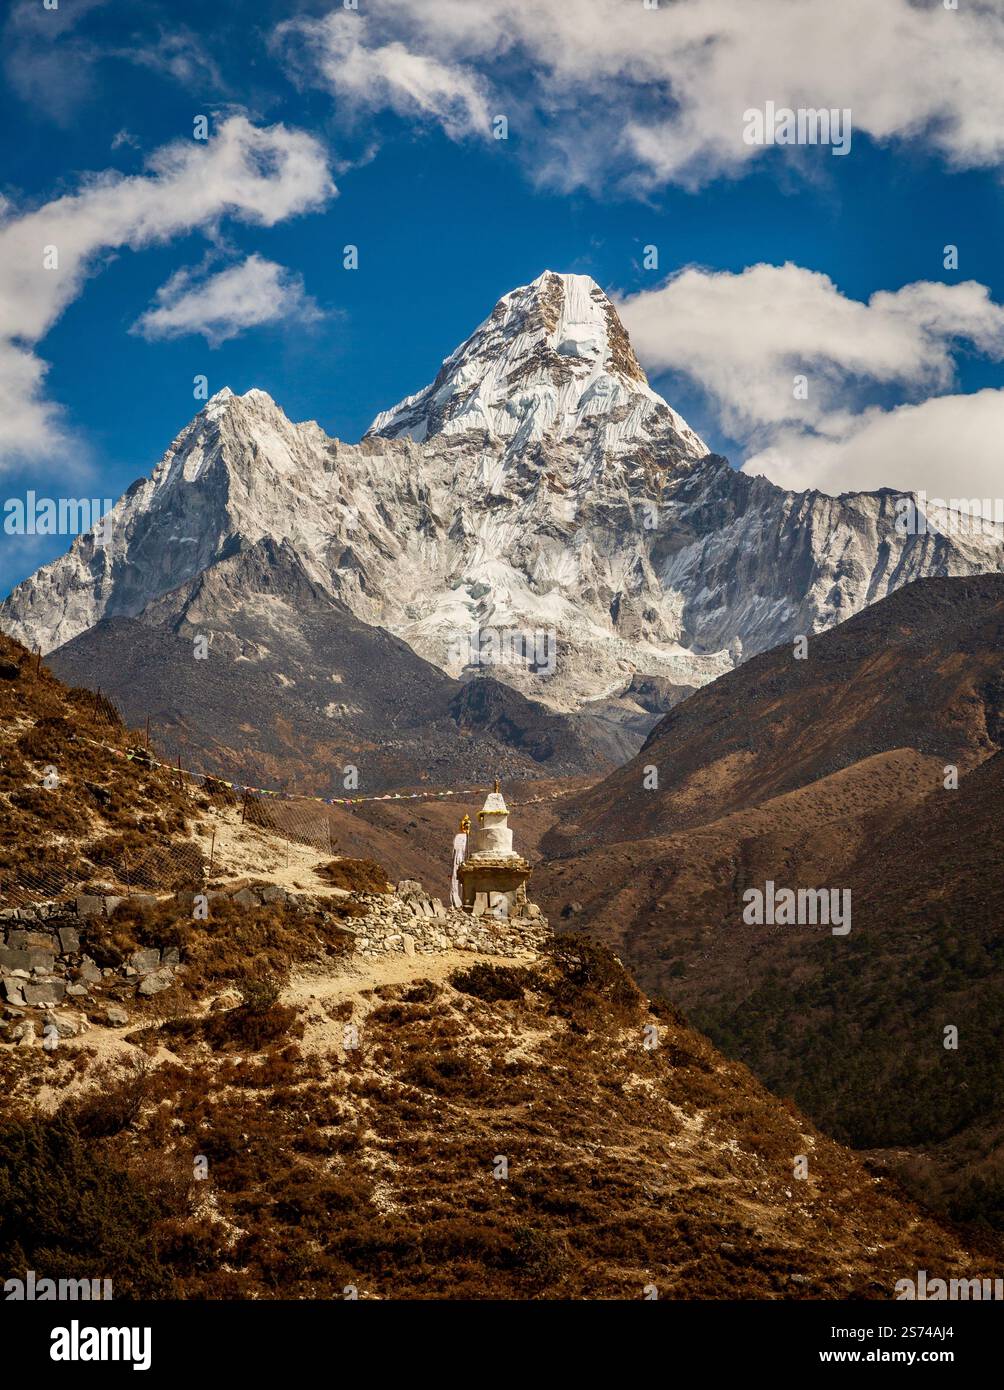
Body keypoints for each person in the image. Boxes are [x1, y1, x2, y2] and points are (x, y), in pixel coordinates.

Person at [450, 814, 470, 908]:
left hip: (462, 859)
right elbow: (456, 849)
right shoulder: (460, 837)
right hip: (458, 859)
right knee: (455, 879)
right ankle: (456, 900)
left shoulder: (466, 837)